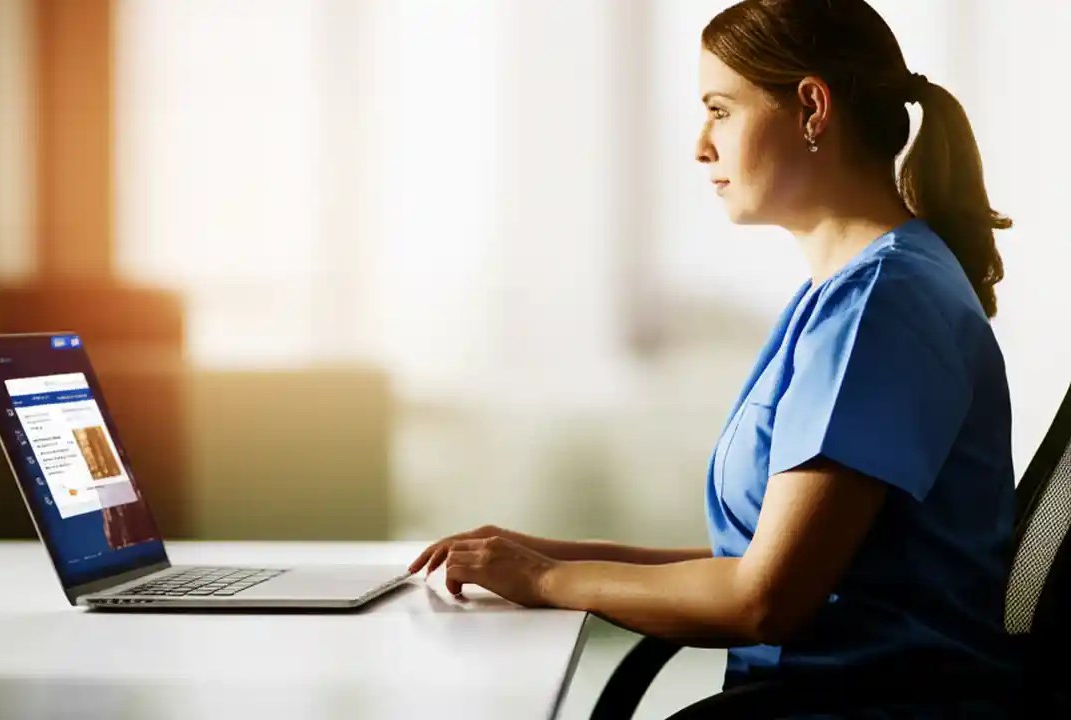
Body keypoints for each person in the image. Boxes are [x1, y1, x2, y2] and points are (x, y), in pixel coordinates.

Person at [407, 0, 1016, 714]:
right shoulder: (854, 292)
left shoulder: (883, 305)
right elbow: (751, 570)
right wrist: (547, 557)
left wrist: (545, 581)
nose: (701, 145)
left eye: (720, 110)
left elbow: (762, 601)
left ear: (812, 108)